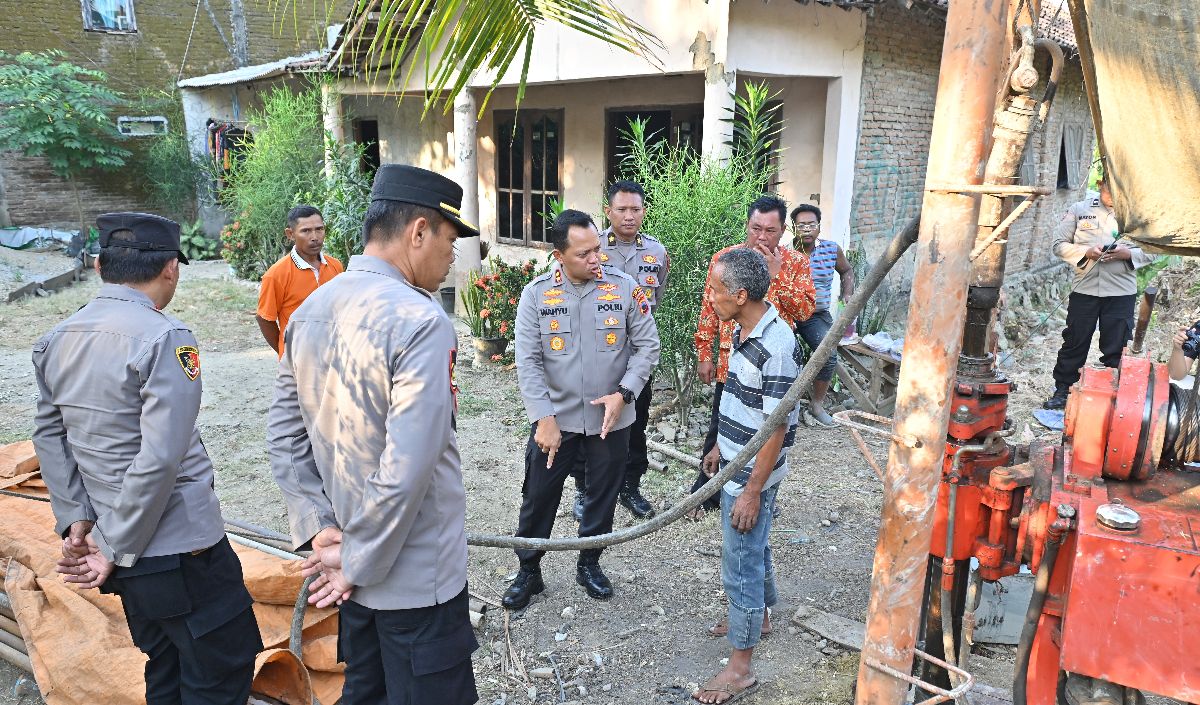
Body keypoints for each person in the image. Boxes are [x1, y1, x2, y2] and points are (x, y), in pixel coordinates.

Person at [267, 165, 480, 705]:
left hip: (347, 564)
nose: (451, 257)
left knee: (367, 692)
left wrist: (320, 531)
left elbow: (285, 436)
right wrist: (354, 559)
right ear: (418, 232)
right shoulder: (420, 320)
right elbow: (407, 468)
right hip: (413, 579)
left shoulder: (313, 309)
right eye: (450, 241)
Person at [34, 212, 263, 705]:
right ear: (172, 269)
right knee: (219, 673)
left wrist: (77, 520)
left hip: (125, 553)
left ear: (99, 267)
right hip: (177, 548)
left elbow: (50, 436)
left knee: (167, 668)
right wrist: (111, 544)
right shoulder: (165, 337)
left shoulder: (57, 338)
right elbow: (161, 457)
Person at [502, 209, 661, 610]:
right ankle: (529, 569)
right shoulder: (536, 296)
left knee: (602, 494)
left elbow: (647, 347)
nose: (597, 259)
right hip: (556, 422)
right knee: (539, 495)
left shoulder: (625, 288)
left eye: (598, 249)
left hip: (612, 419)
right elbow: (529, 361)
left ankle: (589, 562)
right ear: (559, 255)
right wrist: (544, 418)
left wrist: (624, 393)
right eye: (585, 253)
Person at [692, 248, 800, 705]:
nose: (709, 297)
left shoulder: (776, 347)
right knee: (755, 547)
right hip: (737, 459)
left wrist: (751, 491)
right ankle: (762, 618)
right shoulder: (744, 327)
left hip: (753, 474)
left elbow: (775, 427)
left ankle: (740, 668)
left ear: (739, 294)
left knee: (741, 562)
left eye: (715, 290)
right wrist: (719, 443)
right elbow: (739, 396)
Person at [690, 195, 815, 516]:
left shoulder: (796, 264)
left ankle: (758, 492)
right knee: (722, 424)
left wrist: (776, 279)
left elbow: (804, 311)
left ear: (783, 230)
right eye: (756, 228)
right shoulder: (726, 261)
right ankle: (705, 494)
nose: (761, 237)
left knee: (770, 429)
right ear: (747, 225)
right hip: (730, 361)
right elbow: (710, 308)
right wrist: (704, 352)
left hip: (772, 368)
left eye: (770, 231)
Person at [568, 180, 669, 521]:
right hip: (597, 356)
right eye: (621, 209)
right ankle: (585, 488)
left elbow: (655, 300)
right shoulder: (594, 249)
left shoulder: (657, 252)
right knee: (588, 422)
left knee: (636, 422)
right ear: (608, 211)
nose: (629, 216)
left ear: (644, 212)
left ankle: (629, 485)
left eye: (636, 209)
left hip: (637, 358)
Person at [1044, 174, 1156, 409]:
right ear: (1100, 184)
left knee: (1116, 345)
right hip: (1084, 289)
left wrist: (1129, 254)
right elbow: (1058, 245)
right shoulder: (1079, 209)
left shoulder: (1138, 215)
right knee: (1075, 341)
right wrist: (1087, 252)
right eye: (1109, 190)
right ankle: (1063, 390)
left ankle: (1113, 396)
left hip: (1120, 292)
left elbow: (1154, 250)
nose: (1115, 196)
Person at [790, 204, 854, 427]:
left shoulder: (831, 249)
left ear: (818, 227)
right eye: (801, 225)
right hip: (787, 313)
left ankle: (816, 405)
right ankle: (783, 406)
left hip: (815, 315)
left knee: (827, 355)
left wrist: (847, 294)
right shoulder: (786, 252)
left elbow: (846, 270)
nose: (806, 229)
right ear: (793, 228)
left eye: (811, 224)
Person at [255, 205, 344, 357]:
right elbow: (264, 319)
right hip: (297, 359)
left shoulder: (335, 266)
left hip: (334, 356)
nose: (315, 237)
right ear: (290, 234)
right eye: (306, 231)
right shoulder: (276, 274)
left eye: (319, 229)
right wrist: (285, 352)